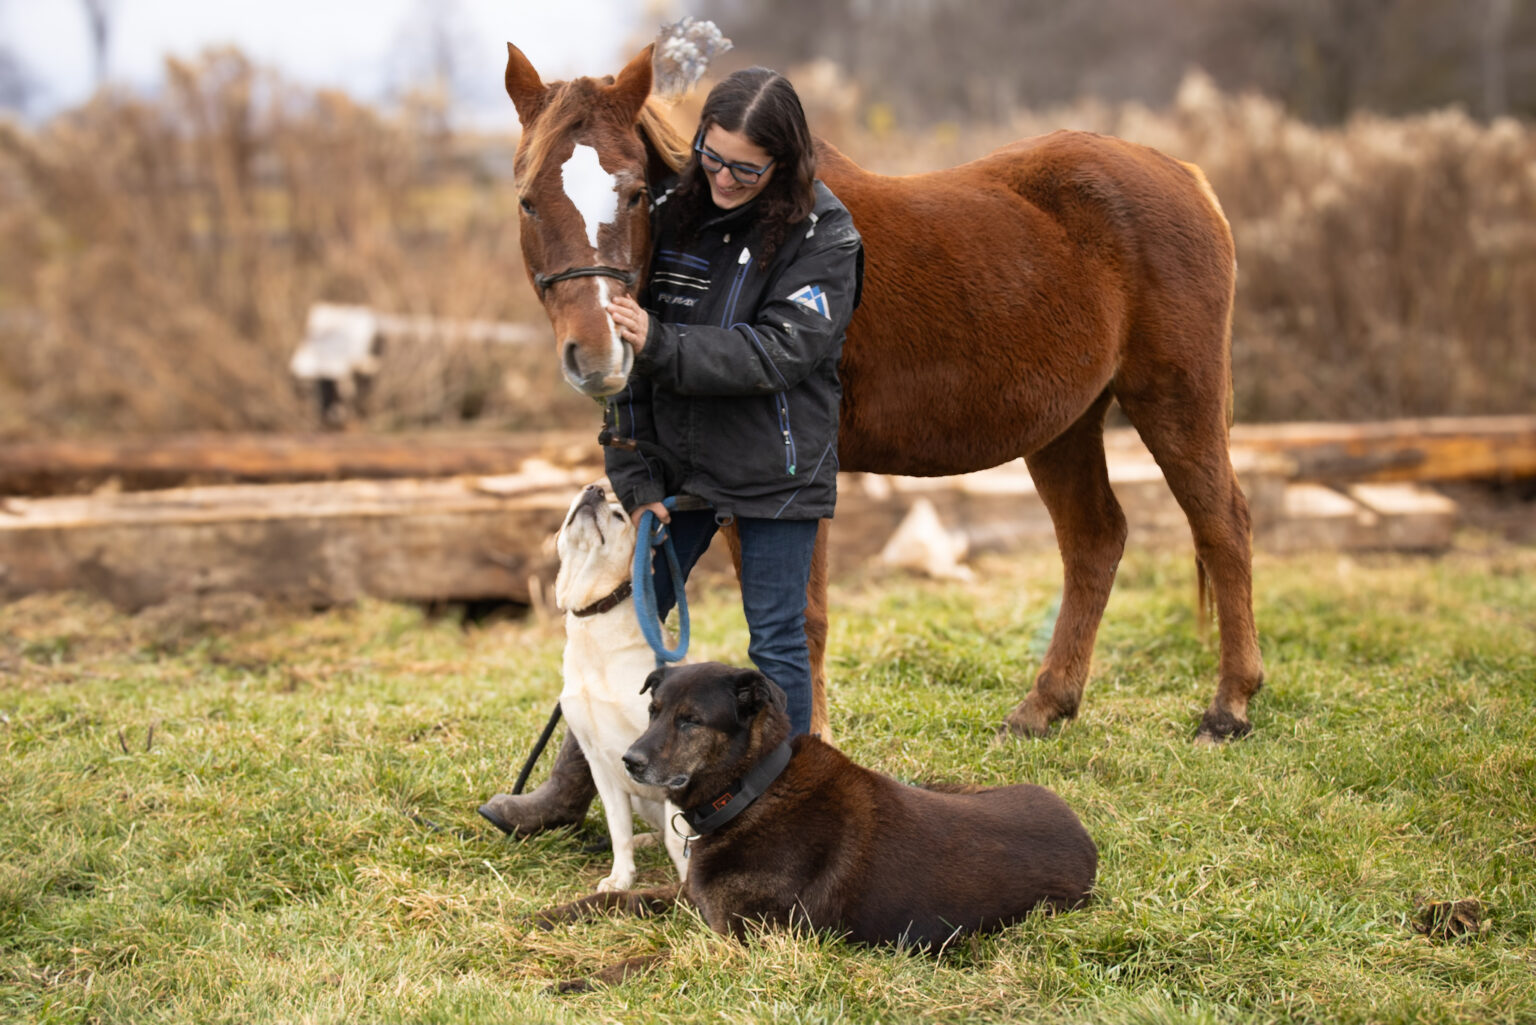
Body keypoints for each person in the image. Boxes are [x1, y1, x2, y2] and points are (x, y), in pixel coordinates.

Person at [480, 67, 864, 837]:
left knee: (777, 635)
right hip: (680, 464)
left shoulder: (826, 235)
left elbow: (778, 354)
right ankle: (570, 786)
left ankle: (781, 813)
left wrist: (663, 342)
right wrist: (636, 473)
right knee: (614, 611)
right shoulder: (669, 211)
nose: (723, 180)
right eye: (711, 159)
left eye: (746, 169)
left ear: (783, 163)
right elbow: (620, 337)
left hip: (775, 466)